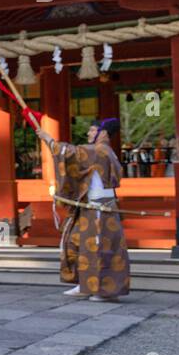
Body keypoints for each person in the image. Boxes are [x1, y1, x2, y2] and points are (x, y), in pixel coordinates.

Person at [33, 116, 131, 302]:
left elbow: (71, 153)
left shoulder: (99, 150)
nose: (88, 133)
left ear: (102, 133)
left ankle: (102, 291)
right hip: (92, 208)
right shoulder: (103, 151)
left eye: (92, 130)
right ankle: (84, 285)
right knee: (75, 241)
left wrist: (48, 138)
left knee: (98, 250)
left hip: (100, 211)